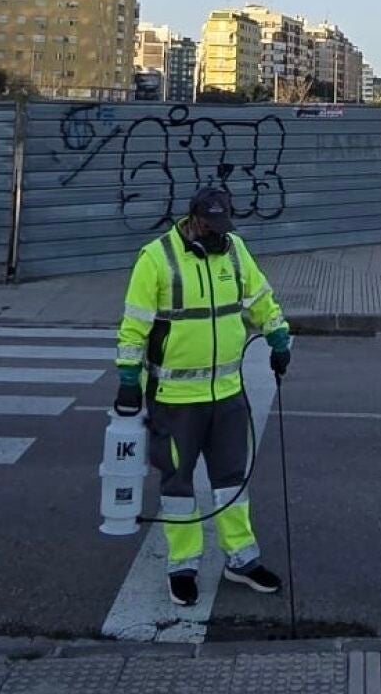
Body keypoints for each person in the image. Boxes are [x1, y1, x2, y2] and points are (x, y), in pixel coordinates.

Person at [114, 187, 292, 607]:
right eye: (211, 225)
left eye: (223, 225)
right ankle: (183, 565)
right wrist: (127, 379)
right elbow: (134, 325)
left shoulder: (234, 251)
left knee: (232, 480)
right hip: (173, 399)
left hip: (228, 394)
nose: (218, 234)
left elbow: (260, 299)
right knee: (177, 485)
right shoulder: (156, 258)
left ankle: (242, 558)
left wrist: (278, 334)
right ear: (192, 219)